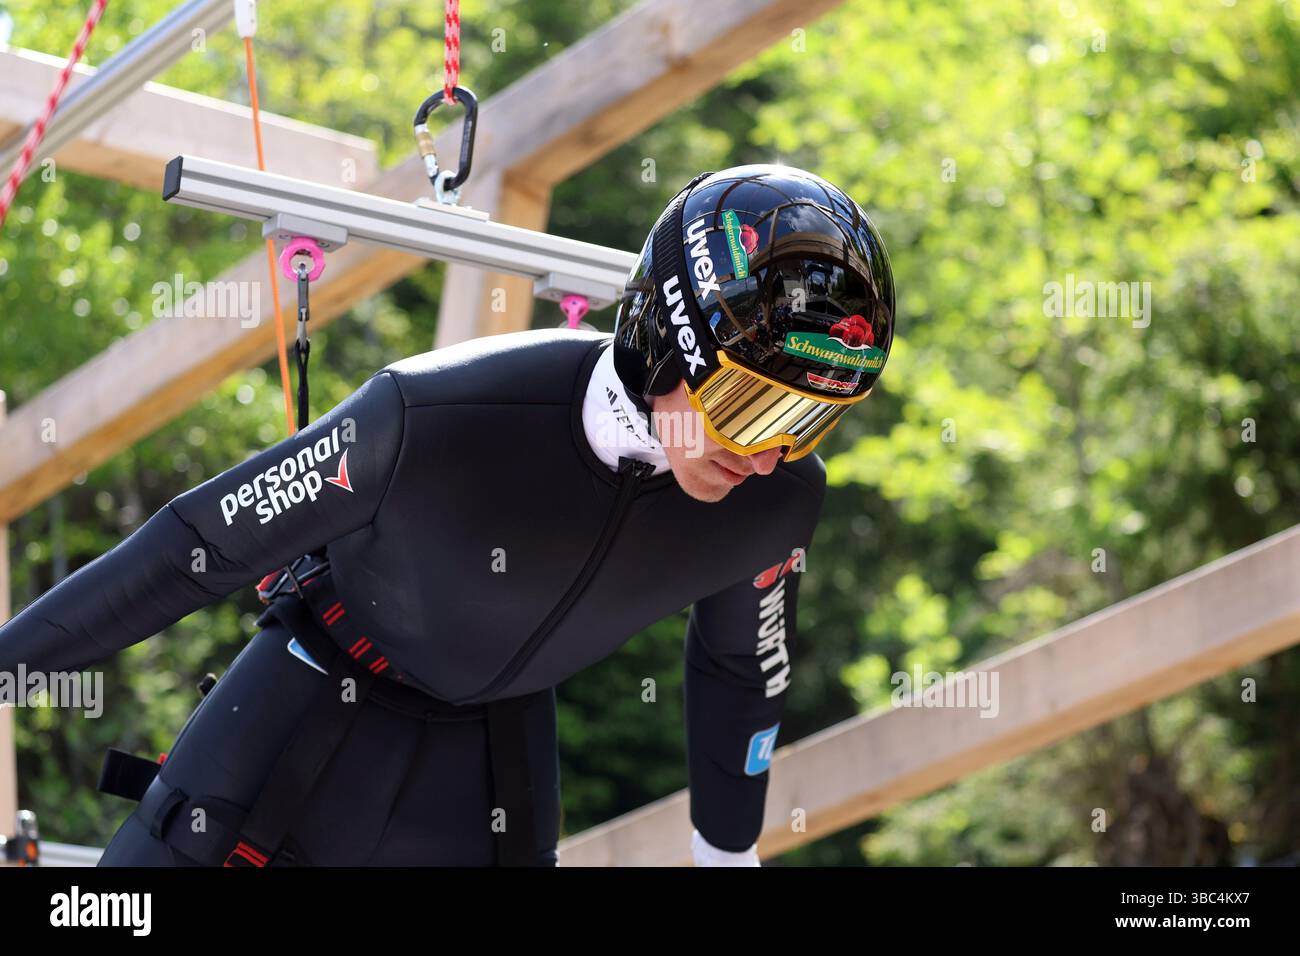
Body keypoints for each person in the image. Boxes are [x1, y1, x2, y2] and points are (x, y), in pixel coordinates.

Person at [0, 164, 894, 866]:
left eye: (808, 421)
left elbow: (741, 667)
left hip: (492, 789)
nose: (767, 454)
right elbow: (192, 552)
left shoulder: (776, 501)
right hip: (293, 731)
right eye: (753, 409)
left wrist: (727, 851)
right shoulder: (427, 418)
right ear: (668, 334)